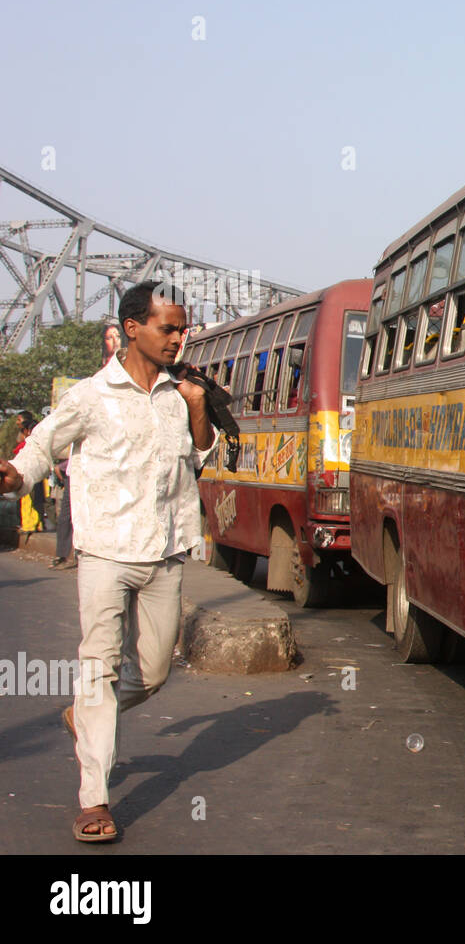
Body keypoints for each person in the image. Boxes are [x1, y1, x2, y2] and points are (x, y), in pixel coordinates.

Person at [0, 281, 215, 842]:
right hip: (103, 550)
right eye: (168, 328)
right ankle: (94, 800)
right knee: (98, 665)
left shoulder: (180, 391)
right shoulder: (90, 396)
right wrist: (15, 475)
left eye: (182, 327)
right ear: (132, 329)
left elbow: (202, 451)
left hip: (166, 548)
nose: (178, 337)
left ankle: (86, 715)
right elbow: (44, 445)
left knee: (155, 669)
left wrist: (197, 409)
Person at [12, 412, 46, 533]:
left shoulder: (28, 444)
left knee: (29, 500)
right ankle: (37, 524)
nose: (17, 422)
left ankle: (29, 525)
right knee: (36, 500)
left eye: (19, 420)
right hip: (36, 474)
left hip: (29, 474)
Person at [50, 457, 75, 570]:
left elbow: (57, 468)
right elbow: (58, 468)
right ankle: (62, 555)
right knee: (65, 518)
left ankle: (63, 556)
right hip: (72, 479)